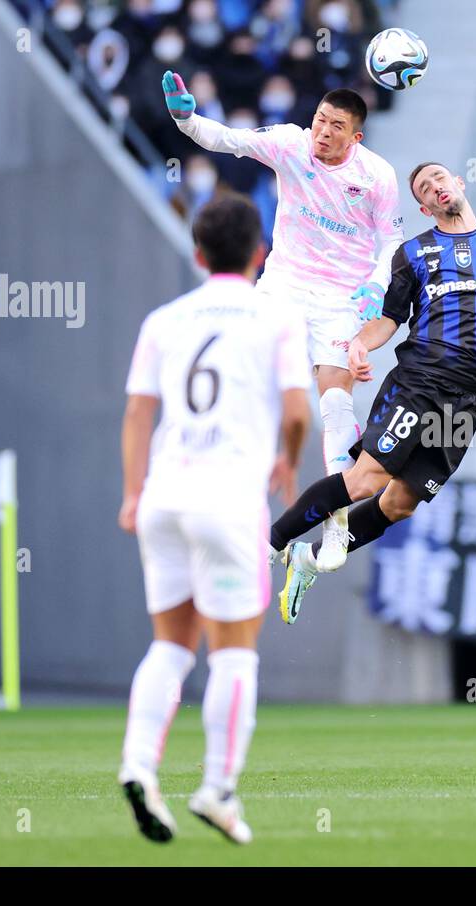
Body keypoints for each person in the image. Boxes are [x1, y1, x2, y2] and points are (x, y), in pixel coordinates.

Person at [267, 161, 476, 622]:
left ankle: (306, 560)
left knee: (399, 504)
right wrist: (360, 345)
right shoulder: (414, 253)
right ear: (425, 208)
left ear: (458, 184)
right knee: (367, 480)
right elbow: (390, 318)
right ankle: (269, 543)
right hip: (420, 383)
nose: (435, 188)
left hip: (469, 400)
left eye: (440, 179)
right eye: (425, 188)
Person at [117, 194, 312, 845]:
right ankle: (218, 789)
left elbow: (139, 414)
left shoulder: (164, 320)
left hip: (164, 497)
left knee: (170, 644)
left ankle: (139, 768)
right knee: (234, 653)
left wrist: (131, 492)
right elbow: (295, 412)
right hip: (229, 501)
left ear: (197, 255)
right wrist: (287, 461)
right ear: (260, 253)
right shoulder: (276, 317)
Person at [163, 72, 403, 572]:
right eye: (320, 120)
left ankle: (336, 521)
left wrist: (377, 285)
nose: (323, 132)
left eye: (337, 126)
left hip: (341, 297)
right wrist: (186, 119)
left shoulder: (378, 175)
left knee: (336, 402)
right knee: (242, 368)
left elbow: (392, 242)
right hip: (285, 283)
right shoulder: (290, 145)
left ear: (355, 136)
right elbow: (229, 140)